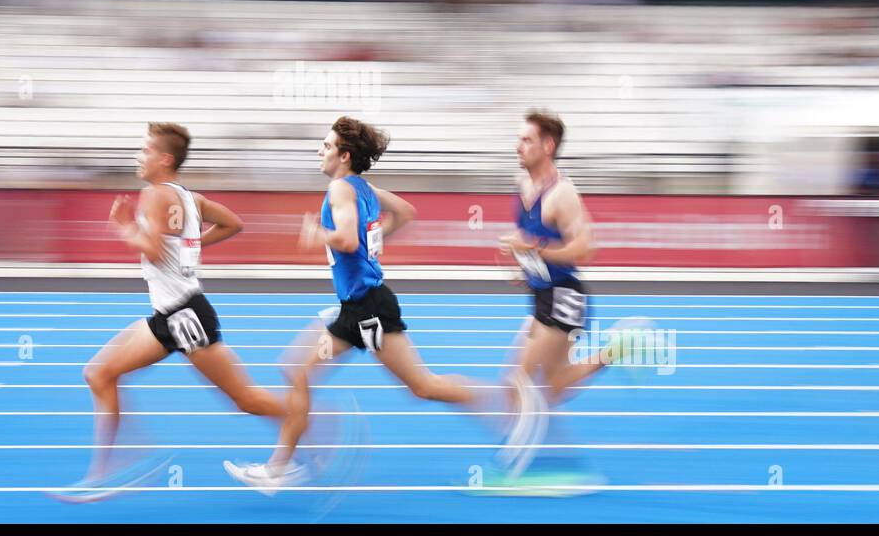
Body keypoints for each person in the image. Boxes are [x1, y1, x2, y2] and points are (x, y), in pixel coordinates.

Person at [223, 116, 530, 491]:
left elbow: (349, 241)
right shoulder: (363, 187)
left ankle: (509, 406)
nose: (319, 150)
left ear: (345, 154)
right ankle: (281, 466)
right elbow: (406, 213)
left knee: (421, 386)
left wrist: (319, 233)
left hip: (368, 309)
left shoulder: (340, 189)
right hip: (357, 307)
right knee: (297, 369)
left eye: (326, 145)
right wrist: (377, 237)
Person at [57, 122, 285, 500]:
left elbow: (154, 250)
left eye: (145, 150)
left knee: (245, 400)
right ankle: (109, 469)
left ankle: (305, 421)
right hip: (173, 314)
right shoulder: (189, 197)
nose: (138, 156)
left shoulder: (155, 194)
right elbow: (233, 223)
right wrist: (191, 247)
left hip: (185, 317)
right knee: (99, 373)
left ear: (164, 159)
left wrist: (124, 226)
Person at [497, 110, 651, 479]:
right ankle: (614, 350)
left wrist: (533, 249)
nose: (517, 146)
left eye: (527, 140)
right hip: (542, 296)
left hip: (565, 298)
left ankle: (520, 467)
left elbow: (584, 249)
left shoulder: (562, 194)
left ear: (547, 146)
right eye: (518, 139)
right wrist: (523, 269)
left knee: (518, 382)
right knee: (553, 387)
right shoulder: (523, 187)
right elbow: (533, 247)